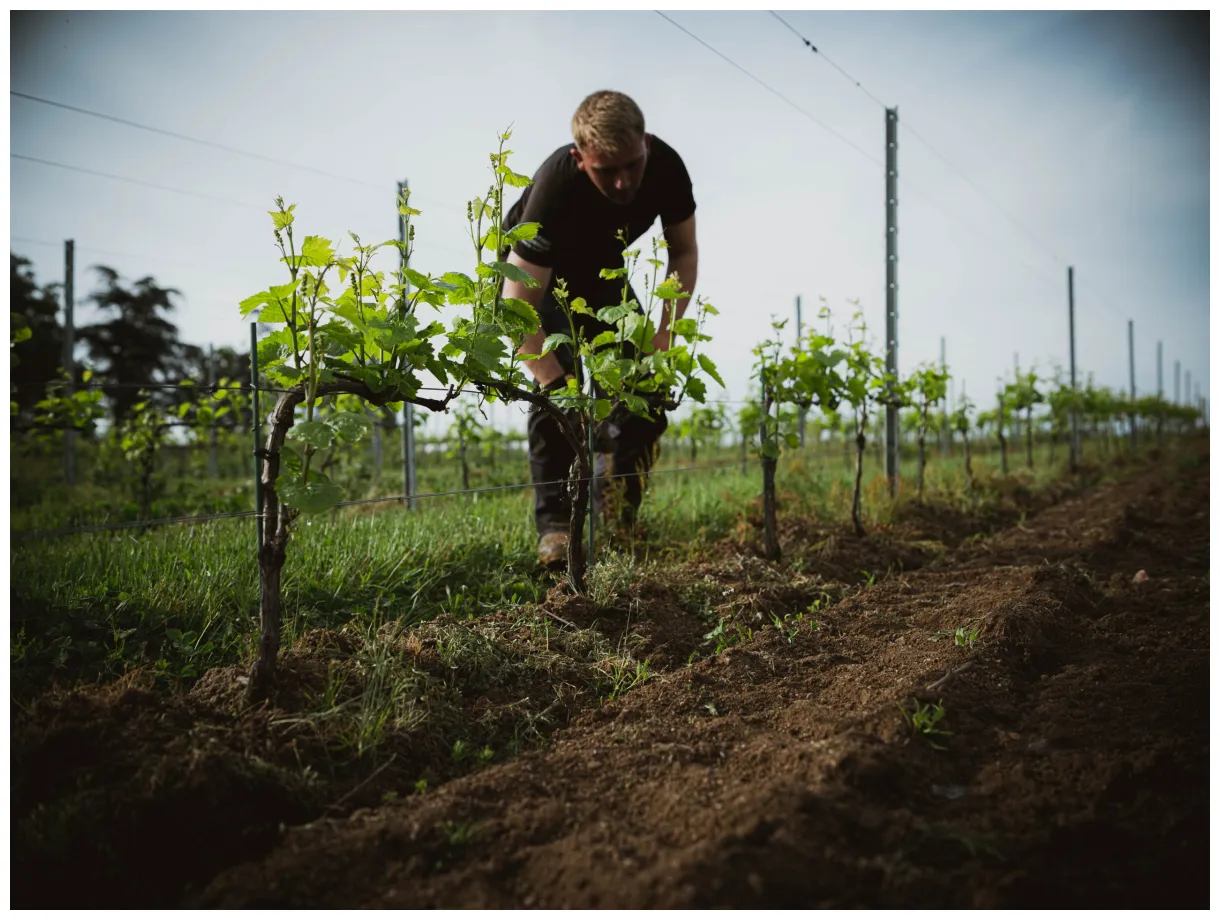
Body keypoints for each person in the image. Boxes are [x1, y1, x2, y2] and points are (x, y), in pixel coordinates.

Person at [500, 89, 699, 568]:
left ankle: (618, 513)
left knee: (646, 392)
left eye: (632, 164)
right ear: (580, 158)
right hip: (534, 279)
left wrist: (662, 336)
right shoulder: (555, 189)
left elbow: (684, 252)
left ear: (645, 142)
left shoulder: (667, 169)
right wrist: (557, 383)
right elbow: (517, 308)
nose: (623, 182)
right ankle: (554, 531)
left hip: (602, 271)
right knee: (557, 395)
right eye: (606, 171)